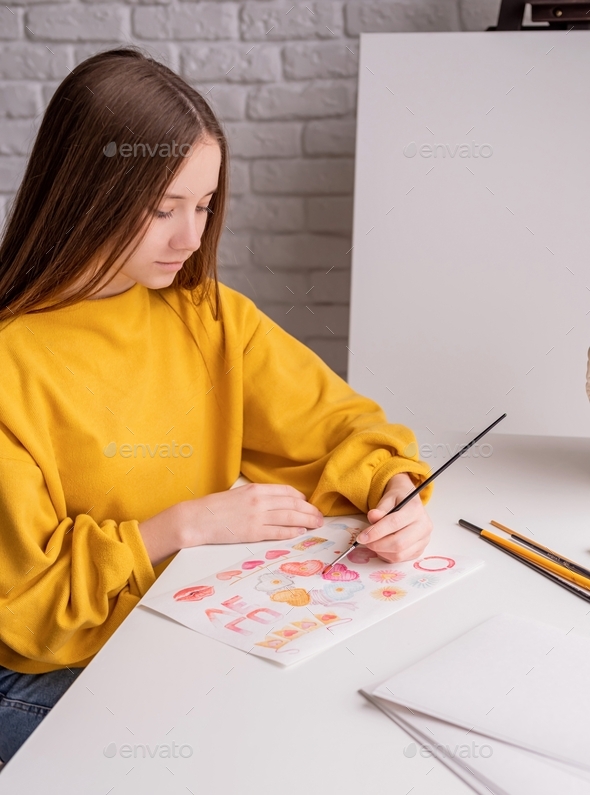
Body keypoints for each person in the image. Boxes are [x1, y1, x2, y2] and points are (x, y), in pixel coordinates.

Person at [0, 46, 434, 766]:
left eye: (203, 205)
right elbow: (27, 610)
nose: (192, 238)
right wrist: (183, 525)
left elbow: (336, 428)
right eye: (162, 209)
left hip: (160, 631)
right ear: (84, 193)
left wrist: (394, 486)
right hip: (37, 673)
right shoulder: (13, 359)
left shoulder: (207, 316)